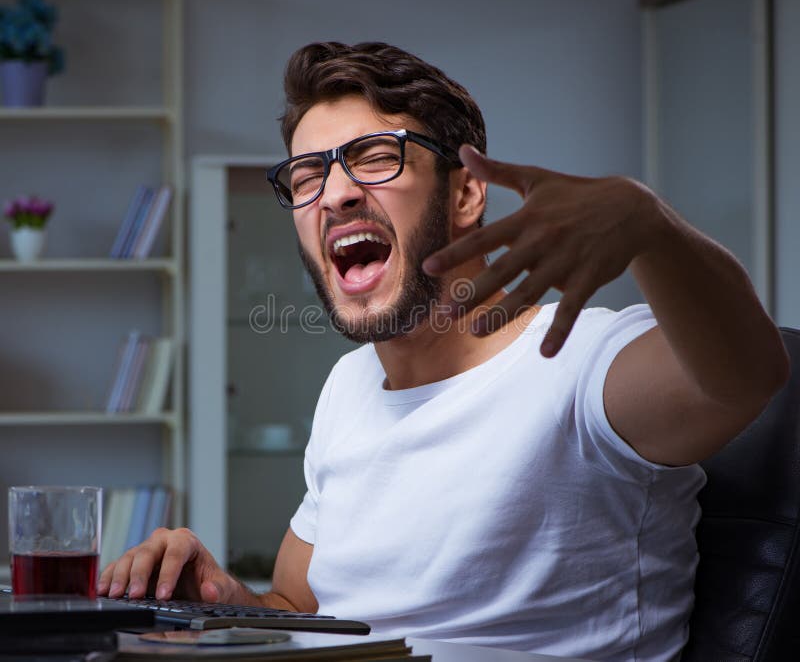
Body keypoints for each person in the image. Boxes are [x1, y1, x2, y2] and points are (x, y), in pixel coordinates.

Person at [99, 42, 789, 661]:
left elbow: (749, 378)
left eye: (375, 157)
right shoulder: (348, 386)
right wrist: (218, 599)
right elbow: (299, 613)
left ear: (465, 193)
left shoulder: (582, 359)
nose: (335, 193)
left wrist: (650, 226)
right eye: (307, 175)